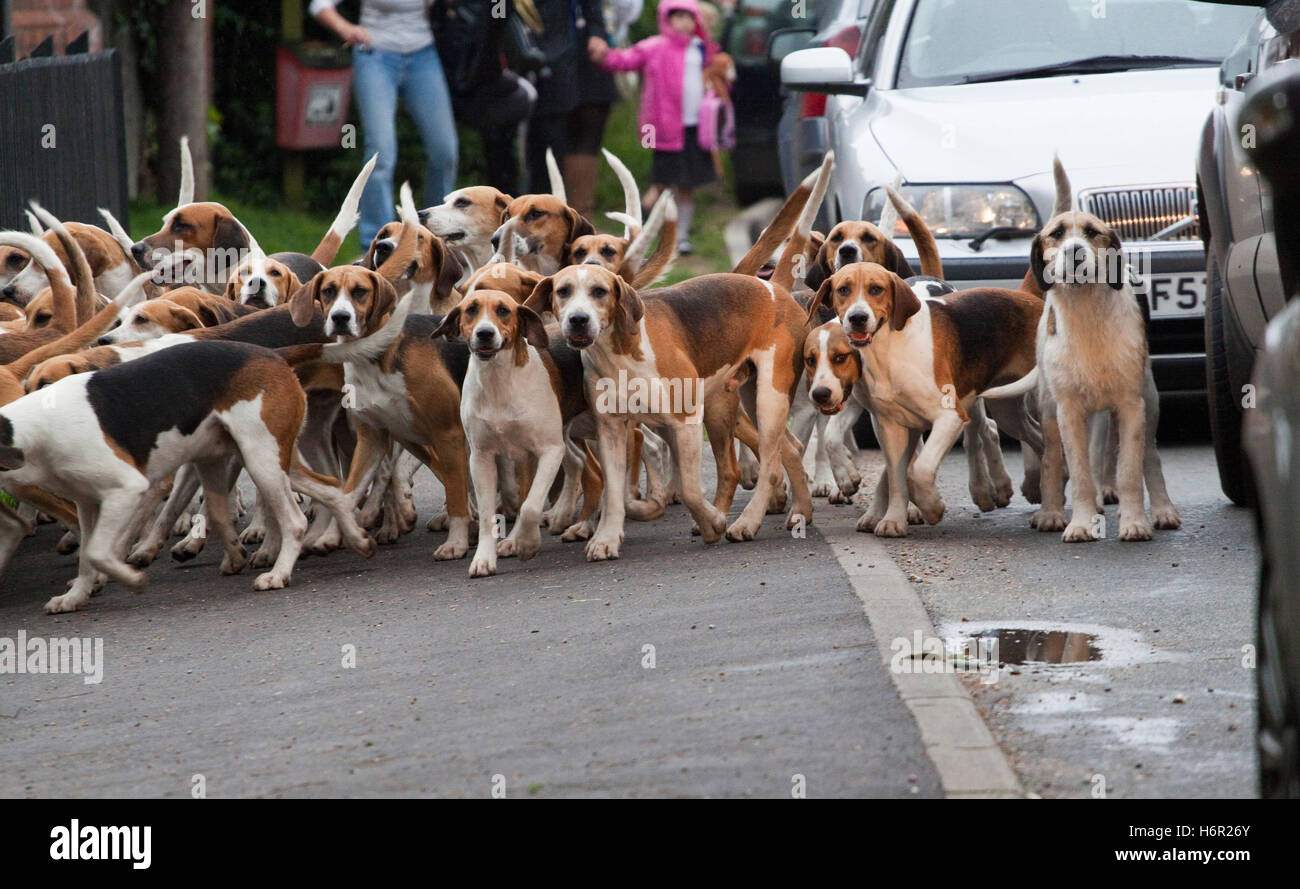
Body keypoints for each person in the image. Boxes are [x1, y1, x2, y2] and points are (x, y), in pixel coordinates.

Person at [310, 0, 459, 246]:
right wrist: (347, 29)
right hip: (375, 55)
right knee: (381, 153)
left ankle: (436, 238)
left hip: (424, 55)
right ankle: (377, 244)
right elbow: (319, 6)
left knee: (445, 151)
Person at [590, 0, 718, 254]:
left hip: (694, 127)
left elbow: (714, 75)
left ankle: (681, 237)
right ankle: (639, 226)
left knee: (686, 185)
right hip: (665, 129)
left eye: (689, 16)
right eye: (677, 16)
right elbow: (625, 60)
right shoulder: (654, 47)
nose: (684, 22)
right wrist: (604, 55)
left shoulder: (702, 49)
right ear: (667, 20)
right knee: (662, 183)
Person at [522, 0, 612, 200]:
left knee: (552, 141)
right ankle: (510, 213)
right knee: (511, 143)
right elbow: (496, 10)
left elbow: (593, 8)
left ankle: (562, 213)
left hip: (558, 57)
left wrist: (596, 31)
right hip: (513, 58)